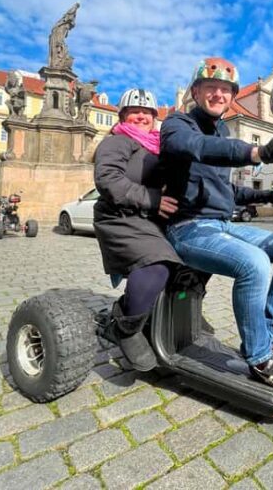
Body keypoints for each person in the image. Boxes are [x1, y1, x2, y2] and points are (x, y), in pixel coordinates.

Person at [160, 57, 273, 392]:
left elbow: (226, 191)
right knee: (255, 263)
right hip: (188, 228)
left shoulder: (222, 129)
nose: (218, 94)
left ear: (231, 96)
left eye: (225, 90)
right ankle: (259, 358)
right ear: (195, 91)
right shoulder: (177, 125)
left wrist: (270, 195)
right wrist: (257, 152)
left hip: (220, 225)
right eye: (211, 87)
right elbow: (199, 148)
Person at [93, 88, 181, 371]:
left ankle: (163, 319)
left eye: (147, 112)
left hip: (148, 218)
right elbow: (107, 179)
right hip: (119, 217)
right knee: (156, 265)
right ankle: (125, 327)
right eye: (135, 111)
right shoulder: (117, 142)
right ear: (123, 116)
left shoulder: (156, 145)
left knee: (188, 263)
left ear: (155, 117)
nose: (141, 116)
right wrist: (152, 198)